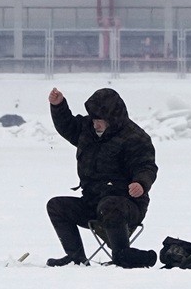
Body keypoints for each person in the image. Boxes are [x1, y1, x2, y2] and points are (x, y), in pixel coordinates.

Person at [44, 86, 159, 268]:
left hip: (127, 205)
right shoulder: (87, 129)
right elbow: (67, 126)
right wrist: (58, 106)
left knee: (109, 204)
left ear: (112, 119)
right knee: (56, 206)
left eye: (100, 121)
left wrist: (141, 184)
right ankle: (76, 259)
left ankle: (122, 255)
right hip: (93, 202)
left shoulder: (135, 137)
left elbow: (146, 166)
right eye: (94, 119)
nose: (95, 124)